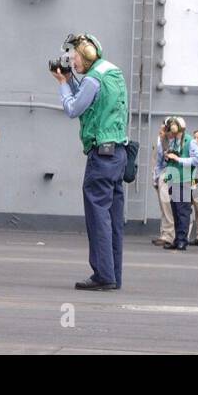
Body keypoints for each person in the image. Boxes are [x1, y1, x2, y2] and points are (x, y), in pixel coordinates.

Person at [53, 33, 128, 291]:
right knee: (113, 218)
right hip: (119, 153)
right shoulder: (112, 73)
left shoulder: (94, 78)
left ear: (87, 54)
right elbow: (91, 103)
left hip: (102, 156)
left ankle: (103, 275)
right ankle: (113, 273)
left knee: (98, 216)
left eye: (74, 56)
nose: (72, 61)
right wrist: (72, 80)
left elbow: (74, 109)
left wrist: (63, 83)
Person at [156, 116, 198, 250]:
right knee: (175, 211)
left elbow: (197, 160)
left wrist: (179, 159)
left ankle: (182, 240)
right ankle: (177, 238)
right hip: (173, 179)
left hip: (184, 179)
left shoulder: (189, 141)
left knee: (183, 211)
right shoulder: (174, 142)